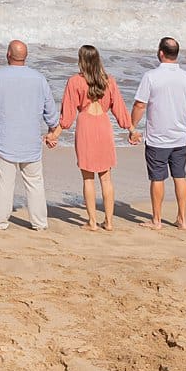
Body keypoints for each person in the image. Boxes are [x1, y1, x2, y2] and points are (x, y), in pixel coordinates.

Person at [0, 40, 60, 231]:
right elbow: (50, 109)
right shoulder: (39, 78)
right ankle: (39, 222)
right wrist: (53, 129)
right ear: (25, 56)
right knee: (35, 182)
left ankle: (0, 221)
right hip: (31, 140)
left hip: (5, 139)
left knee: (4, 183)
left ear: (8, 54)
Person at [127, 37, 186, 230]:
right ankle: (182, 219)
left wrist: (132, 127)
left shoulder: (151, 76)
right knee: (180, 176)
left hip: (157, 138)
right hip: (180, 137)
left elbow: (140, 105)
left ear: (161, 53)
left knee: (158, 178)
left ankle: (157, 220)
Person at [59, 45, 131, 232]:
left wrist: (55, 133)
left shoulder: (75, 81)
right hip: (104, 126)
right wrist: (131, 128)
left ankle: (92, 222)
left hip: (86, 126)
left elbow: (67, 115)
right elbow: (120, 109)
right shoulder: (109, 81)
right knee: (106, 178)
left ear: (81, 60)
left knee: (88, 178)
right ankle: (109, 221)